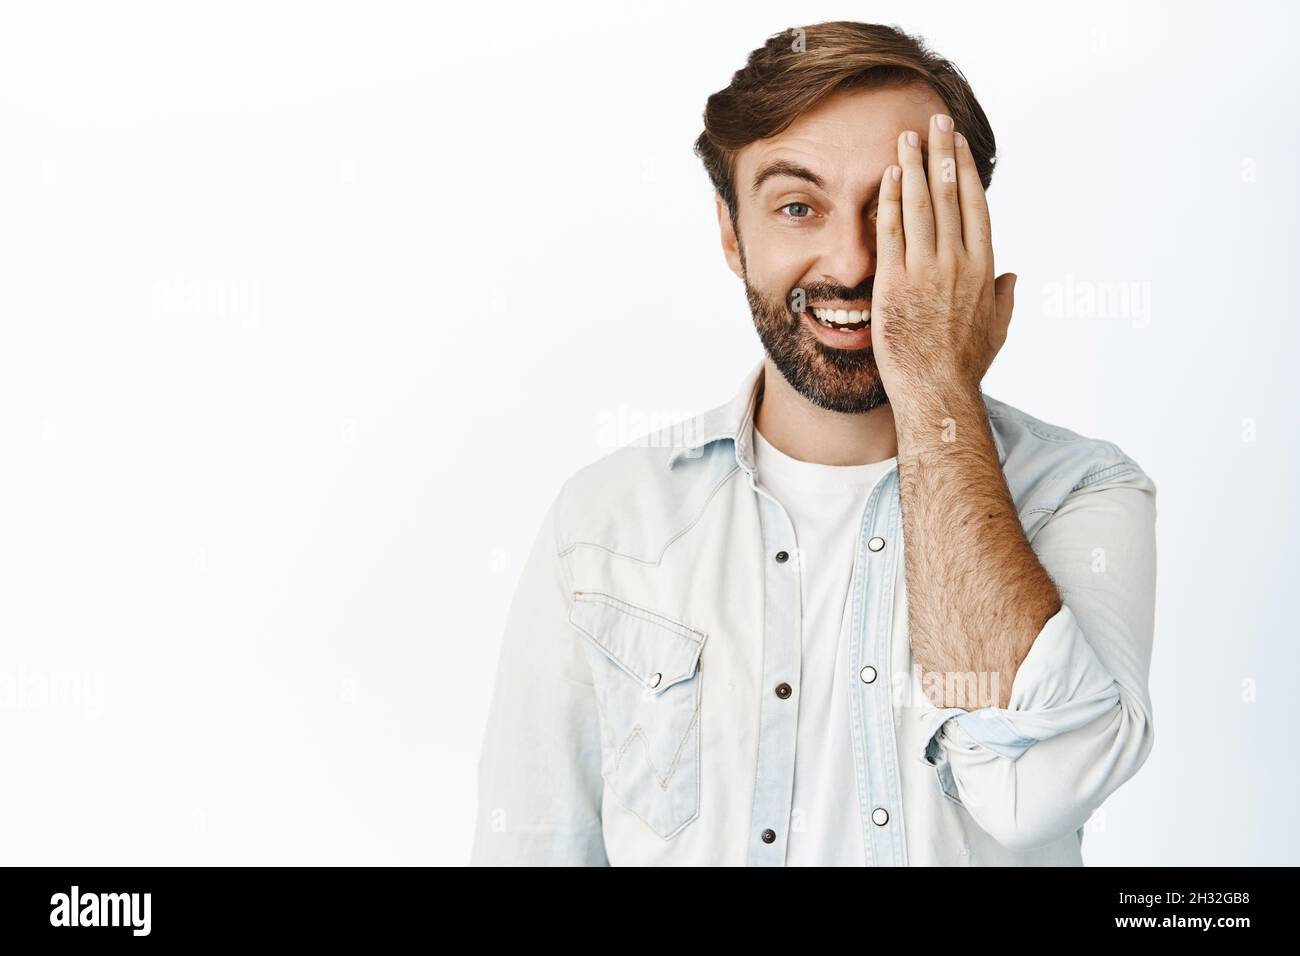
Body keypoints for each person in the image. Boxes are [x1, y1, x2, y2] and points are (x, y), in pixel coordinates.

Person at [470, 20, 1157, 866]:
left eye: (899, 210)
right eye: (798, 207)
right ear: (732, 232)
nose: (852, 261)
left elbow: (1034, 790)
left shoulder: (1082, 494)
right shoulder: (607, 523)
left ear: (968, 233)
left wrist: (936, 382)